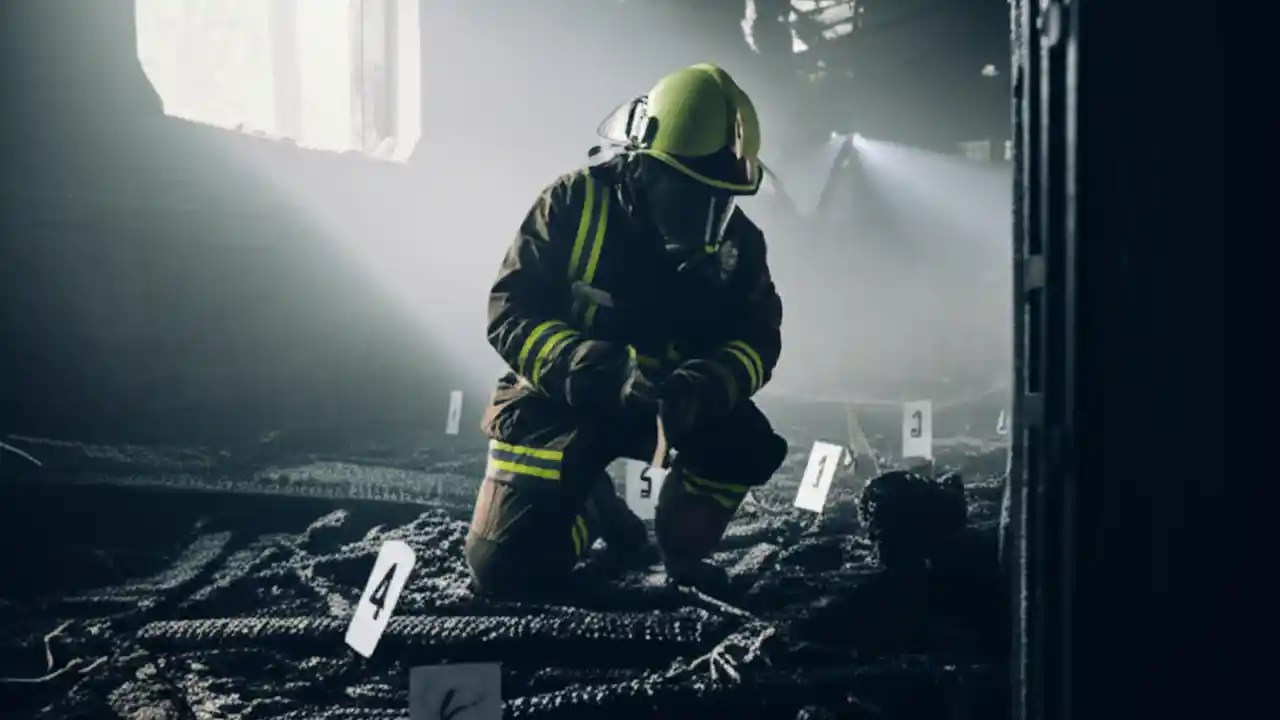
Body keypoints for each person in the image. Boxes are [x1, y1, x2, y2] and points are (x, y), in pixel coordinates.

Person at [465, 63, 789, 600]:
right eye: (688, 195)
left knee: (744, 446)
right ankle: (589, 511)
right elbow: (510, 313)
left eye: (720, 200)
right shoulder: (570, 205)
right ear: (641, 170)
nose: (707, 220)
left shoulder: (739, 244)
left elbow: (758, 339)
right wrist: (600, 370)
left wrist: (707, 385)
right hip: (563, 402)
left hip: (672, 404)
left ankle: (680, 548)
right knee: (505, 572)